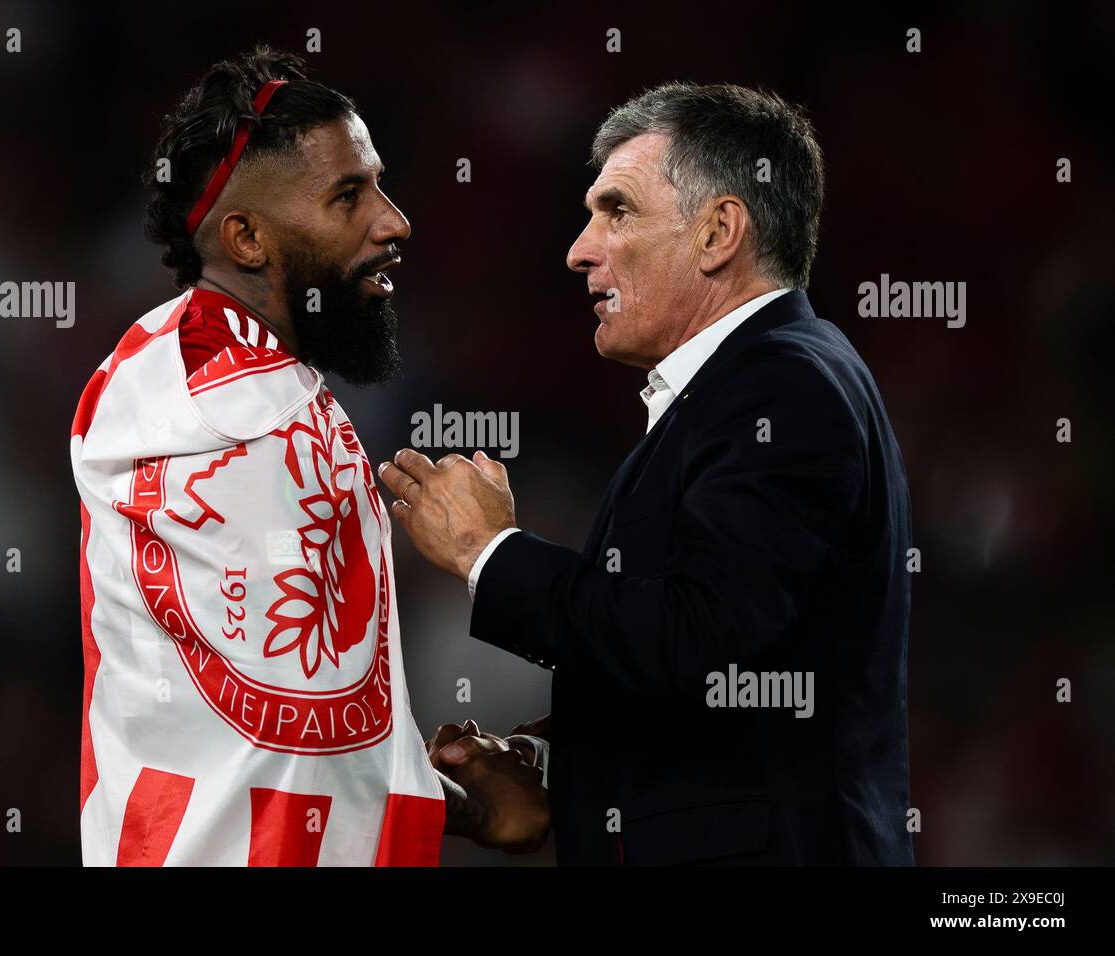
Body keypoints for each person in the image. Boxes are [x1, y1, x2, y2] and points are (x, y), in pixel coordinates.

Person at [380, 82, 915, 865]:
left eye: (617, 211)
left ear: (718, 232)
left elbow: (695, 642)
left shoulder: (784, 389)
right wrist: (552, 766)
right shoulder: (751, 385)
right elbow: (729, 689)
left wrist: (488, 552)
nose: (580, 249)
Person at [70, 46, 547, 865]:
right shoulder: (241, 413)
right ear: (247, 236)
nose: (394, 220)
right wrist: (479, 807)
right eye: (347, 196)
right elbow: (306, 744)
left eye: (380, 184)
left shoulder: (214, 372)